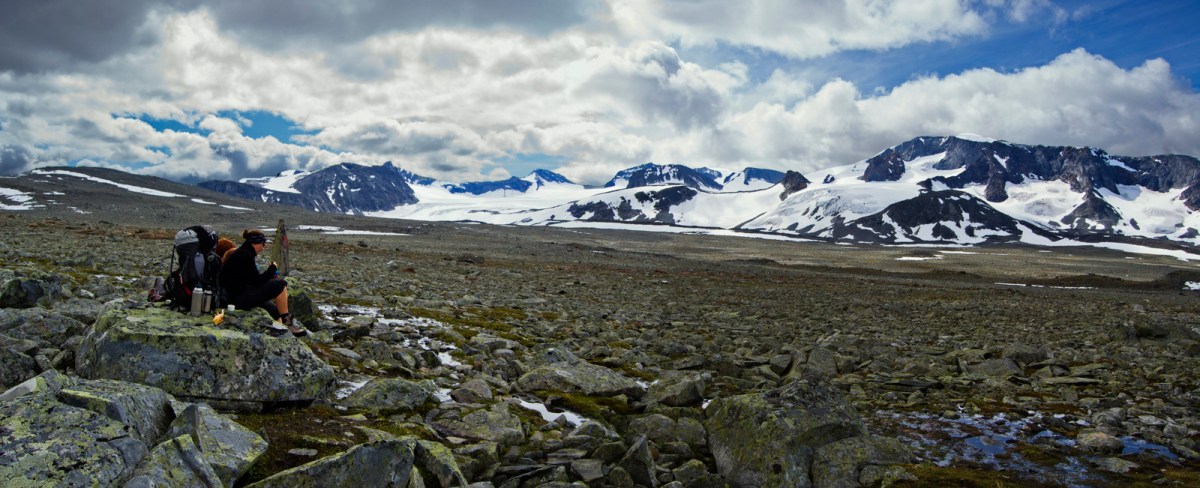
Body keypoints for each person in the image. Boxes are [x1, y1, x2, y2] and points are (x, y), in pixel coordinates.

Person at [219, 229, 305, 336]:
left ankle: (283, 331)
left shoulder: (242, 252)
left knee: (273, 309)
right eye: (263, 244)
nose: (263, 248)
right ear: (255, 243)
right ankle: (288, 323)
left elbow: (251, 279)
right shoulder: (245, 255)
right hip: (237, 298)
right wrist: (272, 269)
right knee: (280, 284)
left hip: (234, 296)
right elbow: (257, 281)